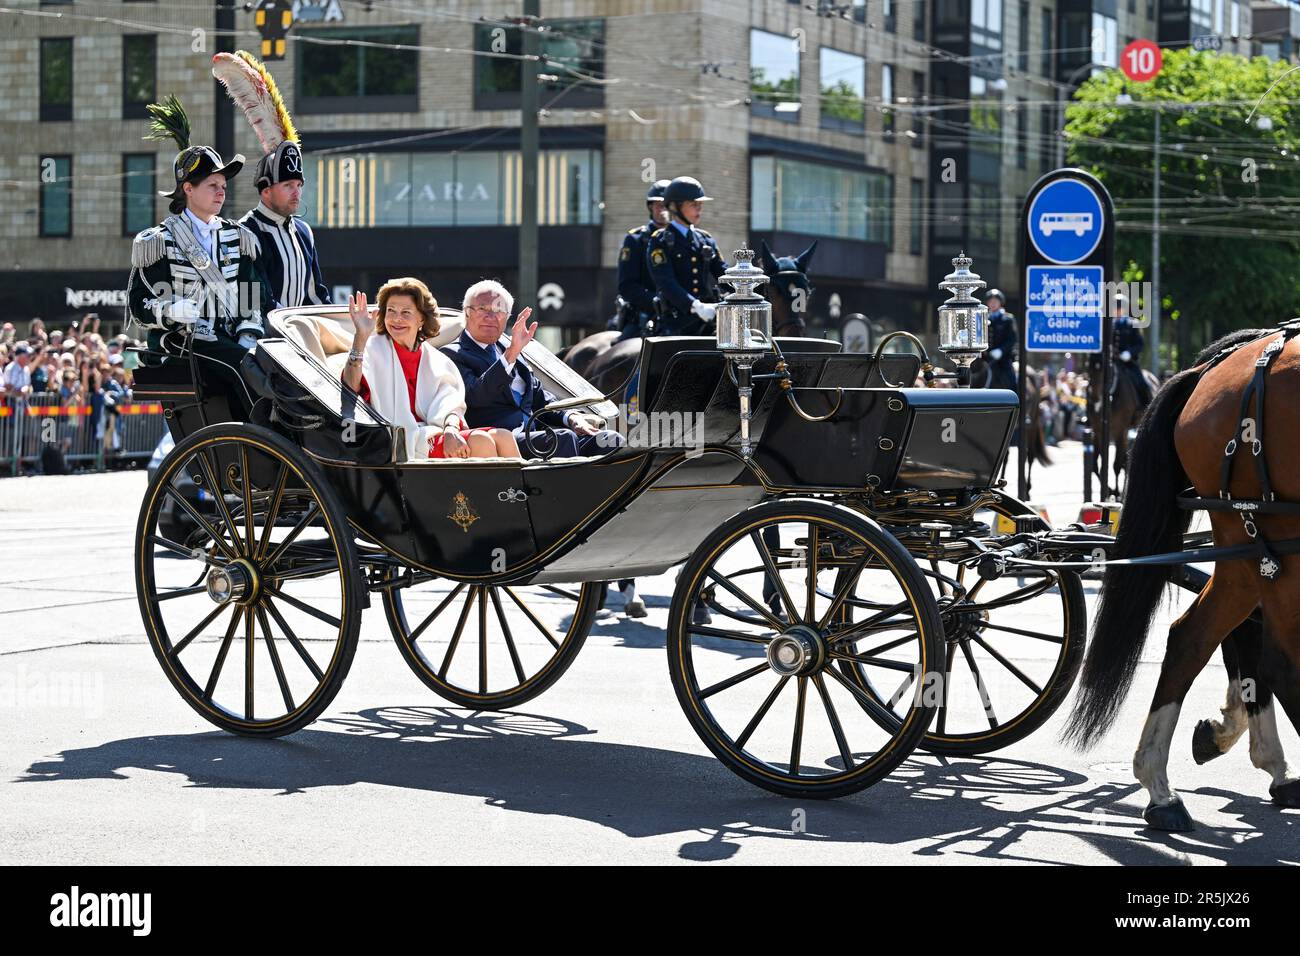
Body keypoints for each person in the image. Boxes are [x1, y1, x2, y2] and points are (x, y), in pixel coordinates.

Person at [125, 94, 274, 420]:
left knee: (267, 362)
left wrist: (248, 334)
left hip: (231, 341)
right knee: (240, 365)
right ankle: (261, 435)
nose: (222, 192)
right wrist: (169, 310)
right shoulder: (159, 242)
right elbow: (139, 305)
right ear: (188, 189)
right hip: (180, 344)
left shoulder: (239, 237)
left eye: (223, 185)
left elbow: (251, 292)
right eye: (212, 185)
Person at [341, 277, 519, 461]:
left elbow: (451, 404)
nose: (396, 318)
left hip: (435, 431)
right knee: (481, 441)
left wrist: (450, 429)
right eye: (391, 311)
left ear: (421, 319)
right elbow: (349, 388)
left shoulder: (435, 359)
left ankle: (522, 491)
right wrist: (360, 337)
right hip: (399, 439)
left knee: (504, 437)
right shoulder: (372, 348)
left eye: (406, 312)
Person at [442, 279, 620, 458]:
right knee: (563, 439)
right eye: (483, 309)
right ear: (467, 313)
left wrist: (572, 417)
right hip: (498, 441)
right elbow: (477, 396)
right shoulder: (453, 354)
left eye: (499, 311)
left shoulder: (509, 351)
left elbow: (540, 398)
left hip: (534, 436)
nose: (491, 317)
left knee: (610, 440)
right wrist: (511, 354)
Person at [216, 50, 331, 311]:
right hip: (262, 342)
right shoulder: (244, 233)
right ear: (265, 190)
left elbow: (315, 296)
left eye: (299, 185)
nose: (297, 192)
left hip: (299, 339)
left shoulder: (304, 232)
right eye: (288, 185)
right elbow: (252, 300)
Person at [645, 176, 728, 336]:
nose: (699, 209)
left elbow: (723, 274)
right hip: (676, 323)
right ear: (675, 207)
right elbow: (666, 283)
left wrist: (745, 285)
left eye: (700, 205)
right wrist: (696, 306)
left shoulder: (705, 239)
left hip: (709, 319)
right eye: (693, 204)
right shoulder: (660, 241)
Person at [615, 179, 671, 340]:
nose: (663, 210)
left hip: (681, 313)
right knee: (622, 357)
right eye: (659, 205)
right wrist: (657, 302)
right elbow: (627, 286)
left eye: (667, 205)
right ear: (651, 206)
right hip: (644, 316)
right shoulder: (636, 239)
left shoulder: (681, 239)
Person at [1110, 291, 1153, 406]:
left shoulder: (1133, 323)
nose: (1117, 310)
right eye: (1115, 307)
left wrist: (1129, 353)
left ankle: (1145, 410)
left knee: (1142, 383)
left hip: (1129, 363)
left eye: (1119, 308)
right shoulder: (1107, 325)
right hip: (1111, 362)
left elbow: (1140, 344)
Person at [983, 288, 1018, 392]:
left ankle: (1016, 400)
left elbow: (1012, 339)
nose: (993, 304)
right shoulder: (983, 318)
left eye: (995, 301)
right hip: (986, 357)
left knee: (1011, 379)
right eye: (990, 301)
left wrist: (1001, 351)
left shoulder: (1008, 319)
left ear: (1000, 303)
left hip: (1003, 358)